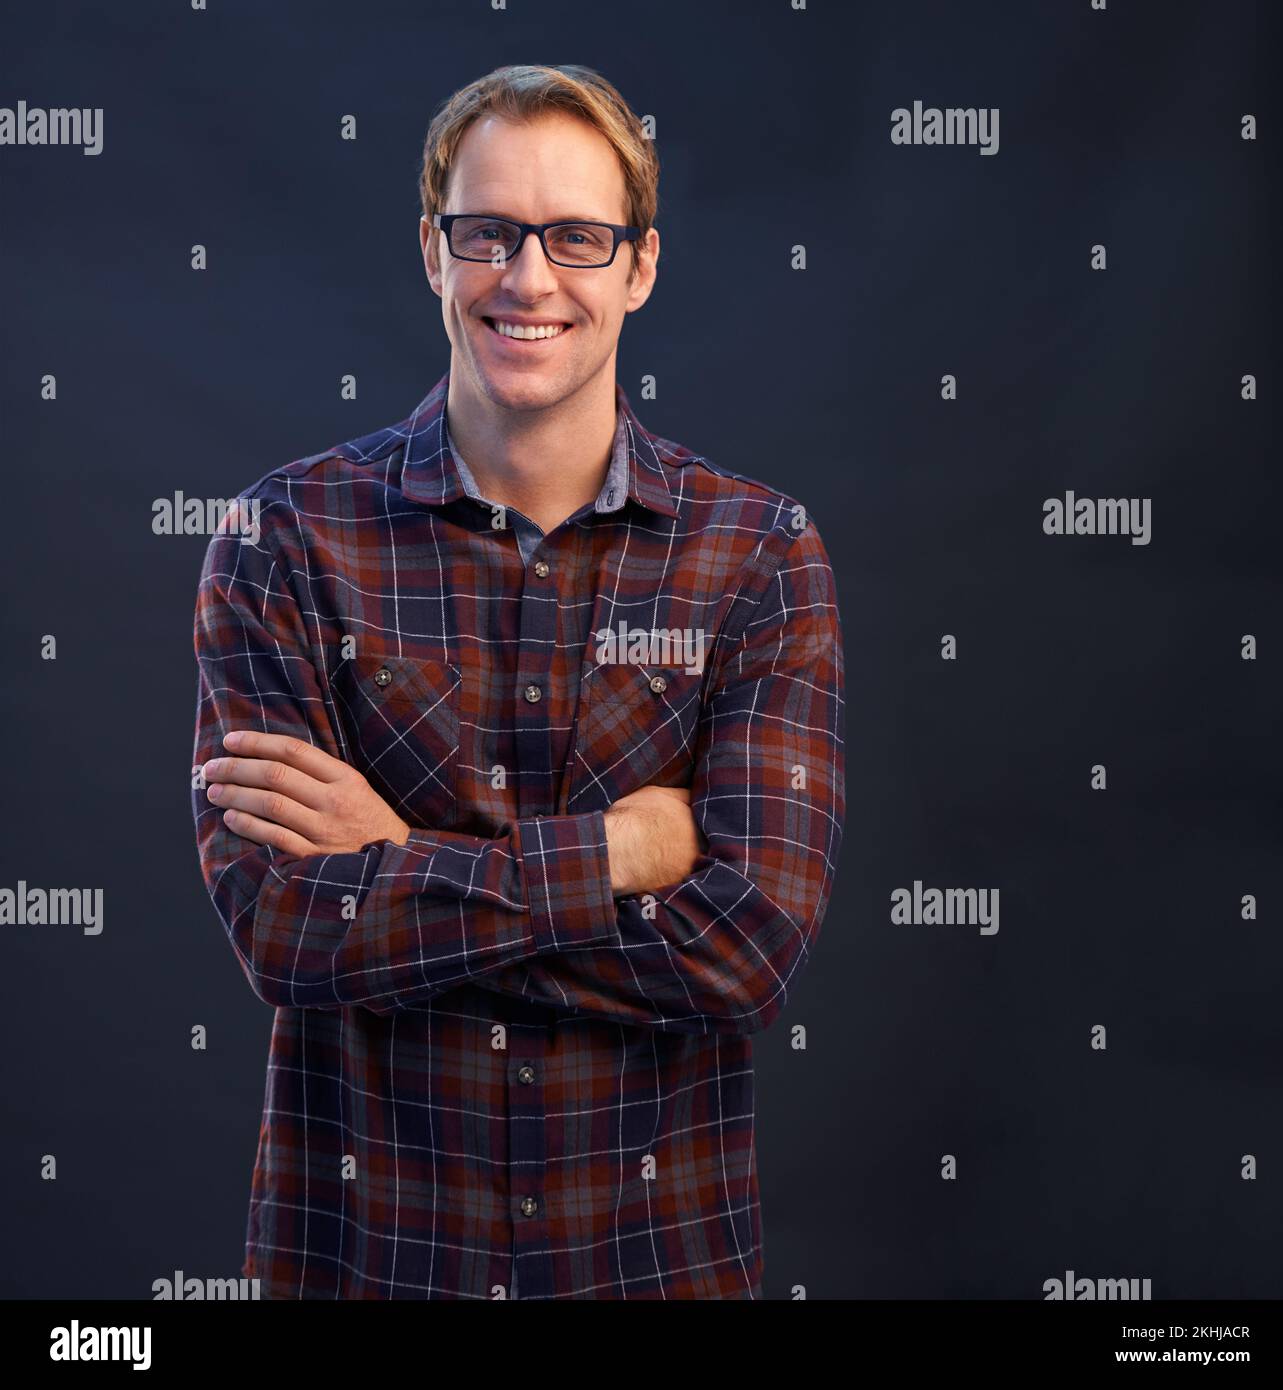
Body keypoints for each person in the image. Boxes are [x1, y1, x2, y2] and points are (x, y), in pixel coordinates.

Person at [191, 62, 845, 1300]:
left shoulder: (756, 552)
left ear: (639, 268)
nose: (528, 278)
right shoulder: (283, 536)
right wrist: (613, 853)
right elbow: (283, 927)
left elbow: (747, 949)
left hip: (655, 1268)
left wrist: (400, 862)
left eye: (577, 238)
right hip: (367, 1264)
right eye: (487, 231)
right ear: (434, 254)